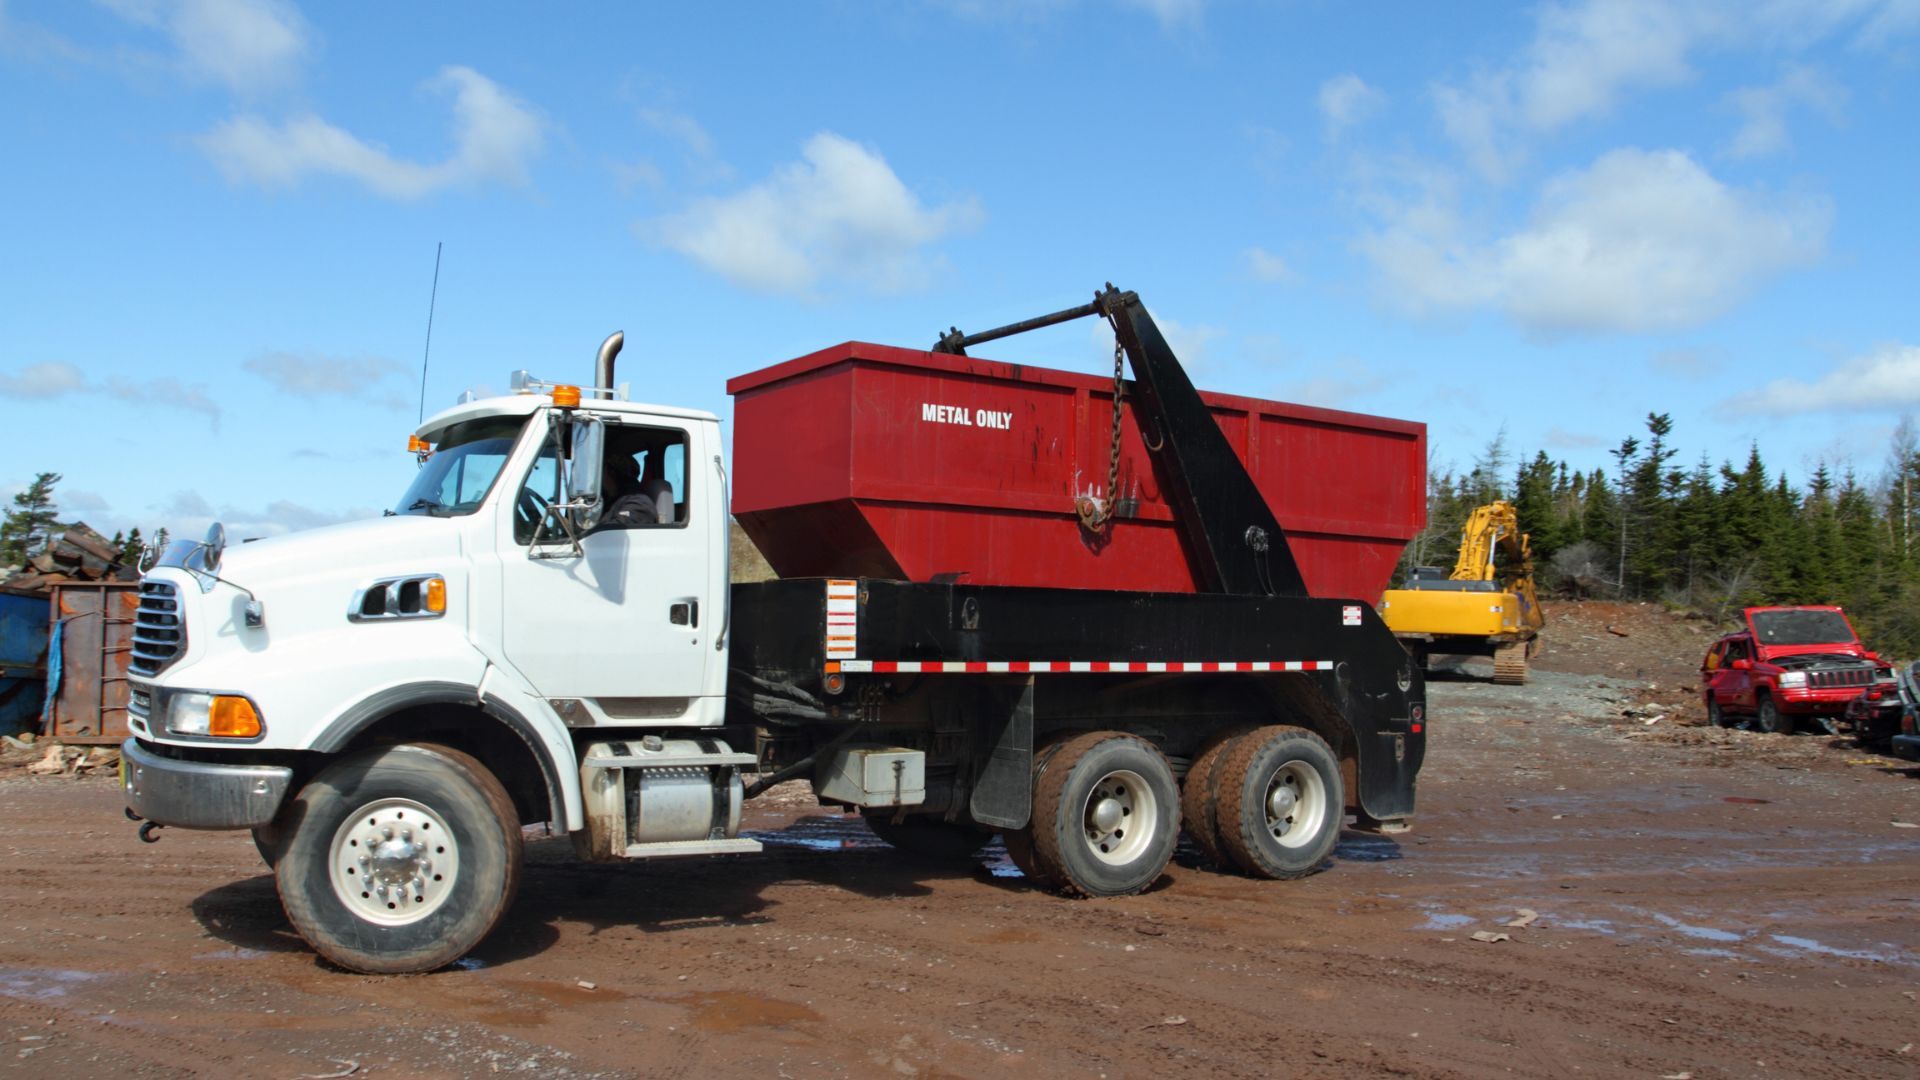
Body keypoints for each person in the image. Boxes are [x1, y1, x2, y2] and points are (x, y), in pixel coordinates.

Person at [598, 453, 657, 528]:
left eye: (602, 472)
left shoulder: (639, 503)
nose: (600, 479)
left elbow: (611, 532)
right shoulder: (612, 500)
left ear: (611, 472)